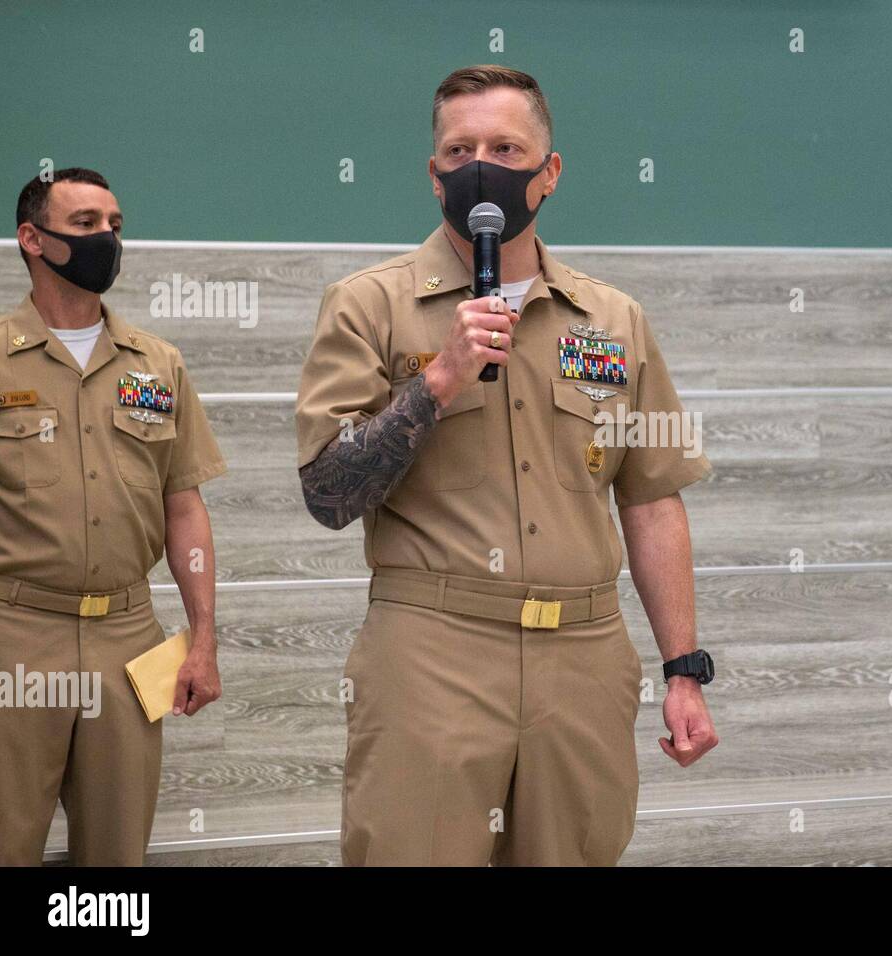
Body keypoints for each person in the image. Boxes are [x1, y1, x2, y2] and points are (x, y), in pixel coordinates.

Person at [295, 65, 719, 866]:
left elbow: (653, 500)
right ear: (434, 176)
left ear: (548, 172)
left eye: (505, 146)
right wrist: (439, 380)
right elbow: (328, 491)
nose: (479, 166)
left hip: (585, 658)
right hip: (433, 649)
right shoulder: (367, 304)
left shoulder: (613, 317)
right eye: (459, 149)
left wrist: (683, 671)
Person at [0, 168, 227, 865]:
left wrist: (204, 637)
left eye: (115, 225)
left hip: (131, 639)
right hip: (16, 635)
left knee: (117, 855)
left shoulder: (156, 364)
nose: (107, 239)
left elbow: (184, 505)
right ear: (32, 239)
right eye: (87, 224)